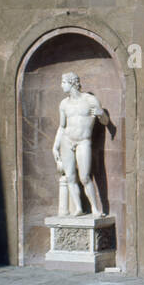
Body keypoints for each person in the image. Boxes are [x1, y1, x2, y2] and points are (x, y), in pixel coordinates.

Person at [52, 72, 109, 217]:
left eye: (63, 82)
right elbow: (62, 126)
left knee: (84, 177)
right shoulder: (63, 104)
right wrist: (55, 145)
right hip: (66, 140)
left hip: (83, 141)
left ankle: (95, 209)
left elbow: (106, 121)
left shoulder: (90, 100)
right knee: (71, 177)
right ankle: (78, 208)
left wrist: (100, 113)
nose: (61, 85)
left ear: (72, 83)